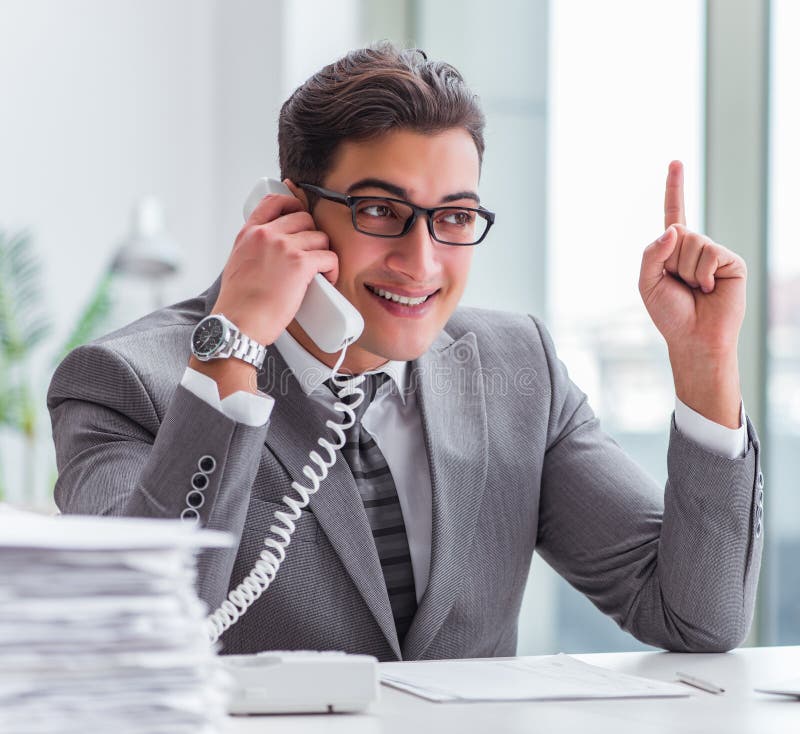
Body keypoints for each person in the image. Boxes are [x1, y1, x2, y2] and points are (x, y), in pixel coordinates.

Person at [48, 43, 763, 662]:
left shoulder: (520, 371)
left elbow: (697, 618)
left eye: (453, 216)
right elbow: (137, 633)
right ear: (286, 212)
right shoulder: (122, 384)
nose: (420, 261)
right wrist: (233, 348)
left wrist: (705, 369)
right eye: (381, 211)